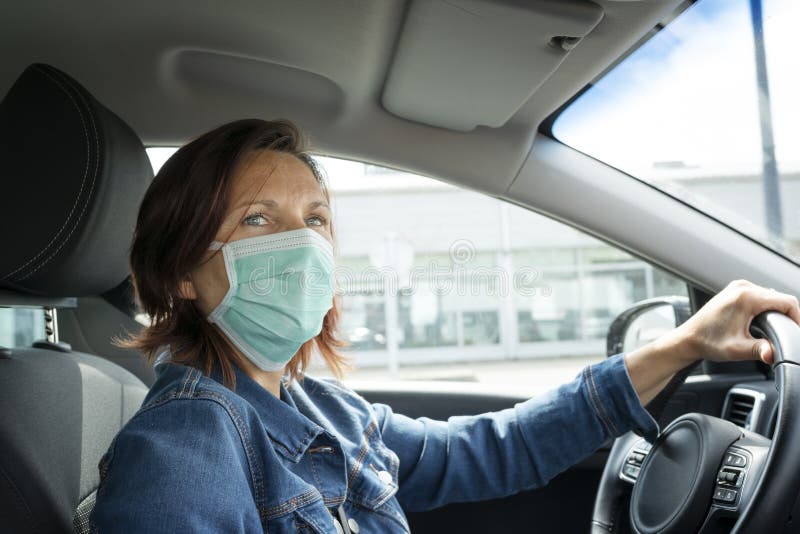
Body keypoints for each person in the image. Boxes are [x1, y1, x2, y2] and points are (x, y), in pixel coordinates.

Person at [89, 118, 800, 533]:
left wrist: (682, 345)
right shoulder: (182, 446)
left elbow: (491, 449)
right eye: (257, 220)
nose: (302, 245)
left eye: (315, 220)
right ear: (182, 272)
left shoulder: (309, 404)